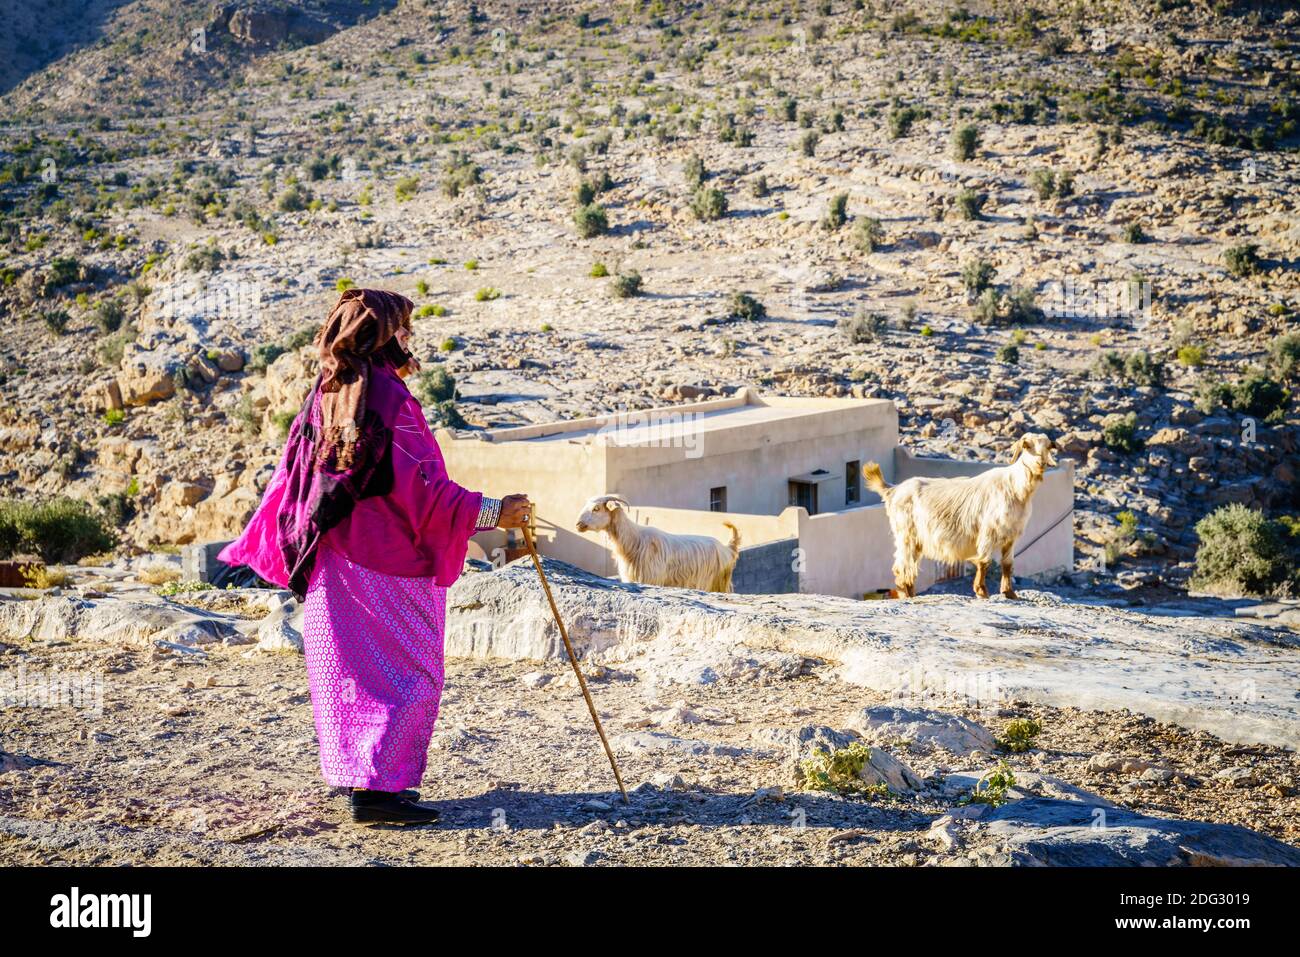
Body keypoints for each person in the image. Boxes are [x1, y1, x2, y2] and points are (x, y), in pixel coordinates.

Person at [218, 288, 530, 825]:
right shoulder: (389, 400)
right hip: (387, 563)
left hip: (332, 563)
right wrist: (495, 511)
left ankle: (365, 779)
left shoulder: (328, 392)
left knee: (350, 672)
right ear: (384, 335)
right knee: (409, 673)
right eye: (404, 329)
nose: (410, 338)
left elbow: (296, 481)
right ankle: (378, 797)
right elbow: (424, 494)